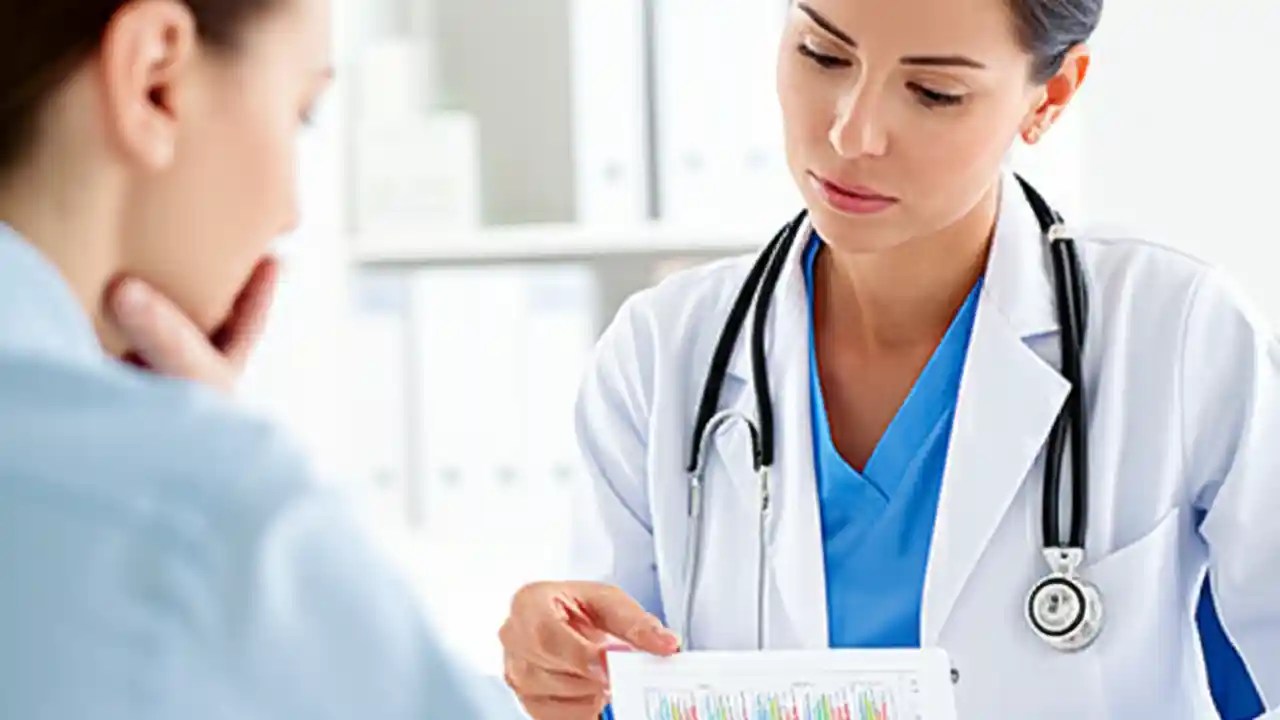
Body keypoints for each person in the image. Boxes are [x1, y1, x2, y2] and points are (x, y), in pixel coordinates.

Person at [499, 0, 1280, 718]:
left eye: (934, 93)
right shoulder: (663, 354)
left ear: (1050, 97)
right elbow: (614, 672)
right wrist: (563, 666)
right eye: (823, 55)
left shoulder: (1175, 334)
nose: (852, 133)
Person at [0, 0, 483, 717]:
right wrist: (195, 456)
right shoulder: (198, 523)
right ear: (154, 81)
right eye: (301, 112)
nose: (291, 211)